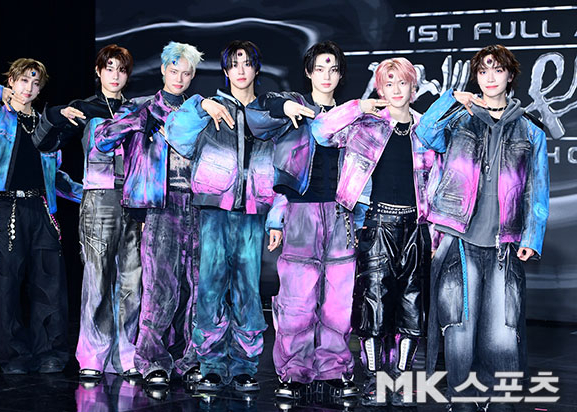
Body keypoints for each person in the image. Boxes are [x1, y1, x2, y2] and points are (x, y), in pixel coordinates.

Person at [416, 44, 549, 412]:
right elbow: (425, 133)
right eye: (483, 70)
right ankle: (462, 399)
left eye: (497, 69)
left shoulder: (530, 130)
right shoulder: (460, 119)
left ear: (510, 75)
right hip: (459, 237)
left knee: (502, 331)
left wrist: (532, 236)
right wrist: (450, 99)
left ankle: (499, 400)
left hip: (504, 241)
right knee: (458, 327)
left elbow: (538, 189)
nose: (490, 77)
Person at [310, 57, 437, 405]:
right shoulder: (366, 125)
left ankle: (402, 380)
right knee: (373, 306)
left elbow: (438, 181)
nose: (396, 90)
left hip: (416, 227)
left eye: (402, 83)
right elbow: (320, 132)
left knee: (412, 307)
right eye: (389, 84)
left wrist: (436, 234)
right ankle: (374, 380)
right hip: (376, 223)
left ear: (413, 87)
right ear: (380, 89)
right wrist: (357, 106)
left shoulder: (426, 129)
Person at [245, 41, 364, 401]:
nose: (326, 76)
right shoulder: (292, 108)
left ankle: (334, 367)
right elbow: (255, 115)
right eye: (320, 69)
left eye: (333, 69)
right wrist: (285, 107)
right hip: (301, 214)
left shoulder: (351, 115)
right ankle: (294, 370)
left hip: (341, 215)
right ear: (309, 73)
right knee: (296, 300)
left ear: (341, 76)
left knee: (338, 302)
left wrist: (359, 219)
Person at [0, 58, 82, 374]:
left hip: (42, 207)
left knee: (50, 282)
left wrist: (91, 192)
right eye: (23, 80)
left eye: (35, 83)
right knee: (5, 283)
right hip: (8, 206)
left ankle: (49, 351)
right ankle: (12, 354)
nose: (29, 88)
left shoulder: (46, 126)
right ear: (11, 81)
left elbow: (55, 176)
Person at [94, 41, 204, 388]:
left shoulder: (199, 110)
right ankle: (151, 359)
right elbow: (102, 139)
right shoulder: (142, 107)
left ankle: (188, 359)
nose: (179, 78)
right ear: (163, 70)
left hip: (198, 204)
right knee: (159, 286)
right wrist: (139, 120)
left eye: (186, 73)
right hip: (160, 206)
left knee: (194, 287)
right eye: (174, 70)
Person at [164, 40, 273, 392]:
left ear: (256, 69)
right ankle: (210, 362)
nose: (241, 70)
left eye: (247, 63)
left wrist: (275, 213)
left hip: (252, 211)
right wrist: (201, 105)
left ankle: (245, 364)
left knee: (248, 291)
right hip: (214, 209)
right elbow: (176, 135)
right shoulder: (210, 107)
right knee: (210, 288)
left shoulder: (267, 112)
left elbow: (284, 162)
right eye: (234, 64)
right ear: (225, 71)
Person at [32, 44, 142, 379]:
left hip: (133, 203)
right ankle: (92, 355)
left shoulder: (136, 110)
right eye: (109, 68)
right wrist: (55, 115)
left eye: (121, 69)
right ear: (98, 71)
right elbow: (43, 143)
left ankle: (126, 354)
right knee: (97, 279)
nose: (115, 75)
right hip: (98, 201)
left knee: (132, 281)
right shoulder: (84, 108)